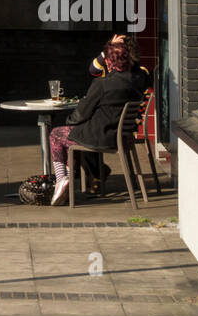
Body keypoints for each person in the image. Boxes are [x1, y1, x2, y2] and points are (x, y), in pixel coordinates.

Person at [49, 39, 141, 205]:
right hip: (123, 137)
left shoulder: (102, 84)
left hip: (101, 137)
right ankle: (71, 181)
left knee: (57, 134)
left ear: (109, 61)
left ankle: (61, 180)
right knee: (75, 135)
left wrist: (69, 120)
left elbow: (82, 113)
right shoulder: (136, 81)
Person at [82, 33, 152, 193]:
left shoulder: (133, 74)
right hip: (121, 125)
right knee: (83, 130)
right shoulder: (138, 73)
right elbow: (93, 68)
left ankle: (94, 175)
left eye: (116, 51)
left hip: (113, 126)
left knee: (79, 133)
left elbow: (94, 70)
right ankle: (96, 175)